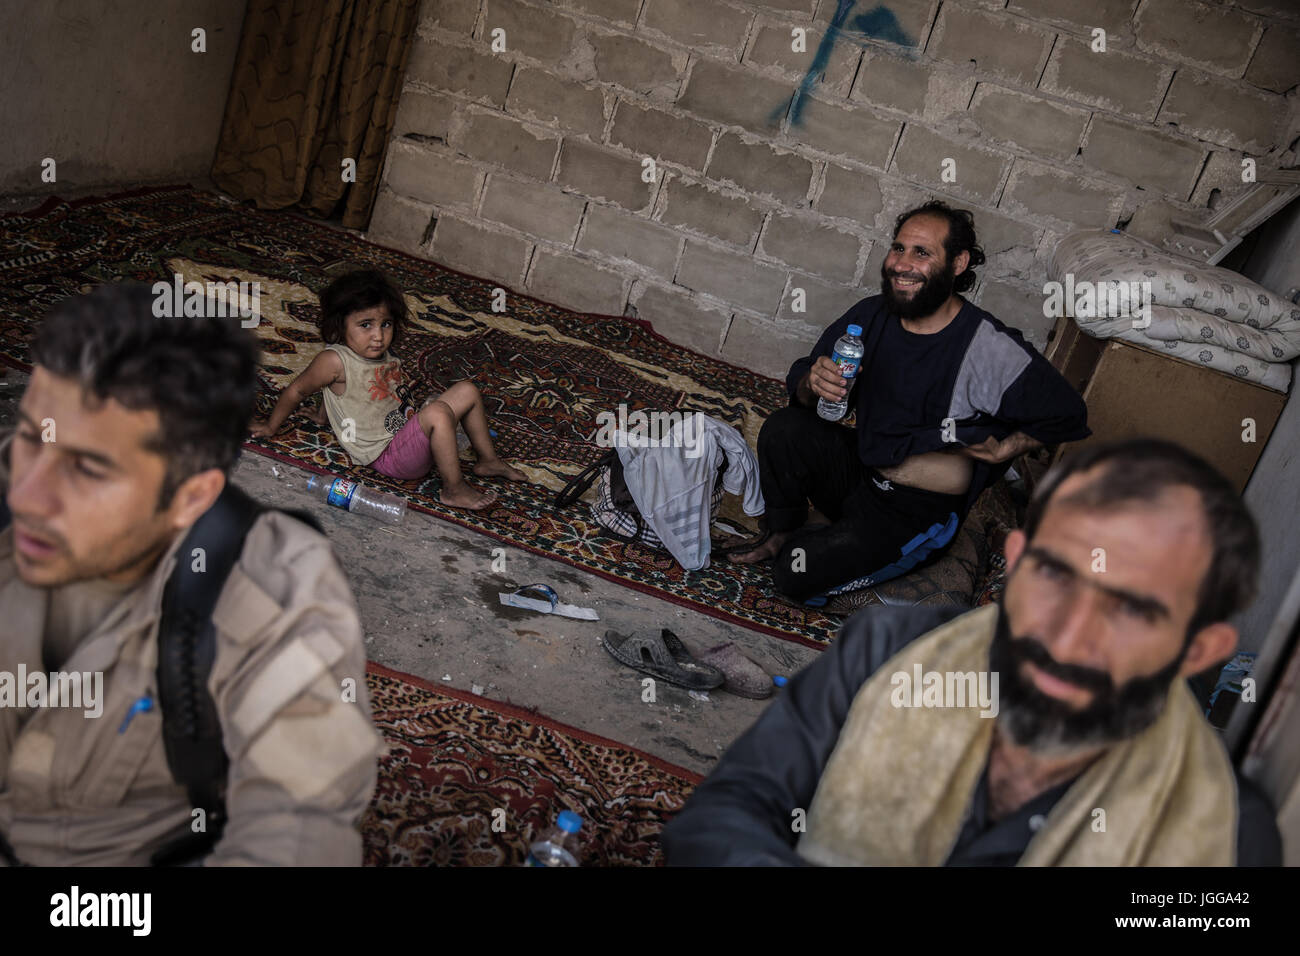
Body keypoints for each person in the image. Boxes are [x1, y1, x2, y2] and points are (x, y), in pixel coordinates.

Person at [663, 439, 1282, 866]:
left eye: (1133, 610)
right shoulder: (891, 655)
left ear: (1201, 648)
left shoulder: (1223, 836)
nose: (1068, 638)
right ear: (1014, 563)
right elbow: (724, 815)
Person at [0, 283, 384, 865]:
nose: (29, 496)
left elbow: (300, 827)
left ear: (190, 495)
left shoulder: (274, 589)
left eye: (88, 468)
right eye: (32, 438)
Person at [729, 201, 1090, 602]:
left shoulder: (986, 346)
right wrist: (813, 383)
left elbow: (1067, 413)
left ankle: (832, 544)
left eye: (922, 252)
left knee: (794, 574)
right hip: (863, 473)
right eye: (898, 248)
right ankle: (785, 529)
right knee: (785, 428)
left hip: (912, 514)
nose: (902, 263)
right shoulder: (873, 316)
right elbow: (804, 389)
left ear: (957, 263)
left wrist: (1009, 446)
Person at [250, 269, 525, 511]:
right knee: (439, 412)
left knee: (466, 389)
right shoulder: (334, 361)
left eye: (386, 324)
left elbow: (344, 393)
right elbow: (297, 390)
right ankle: (453, 489)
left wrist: (324, 416)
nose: (378, 336)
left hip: (407, 437)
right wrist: (272, 426)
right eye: (365, 325)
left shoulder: (381, 353)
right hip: (387, 456)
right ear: (339, 325)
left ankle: (487, 460)